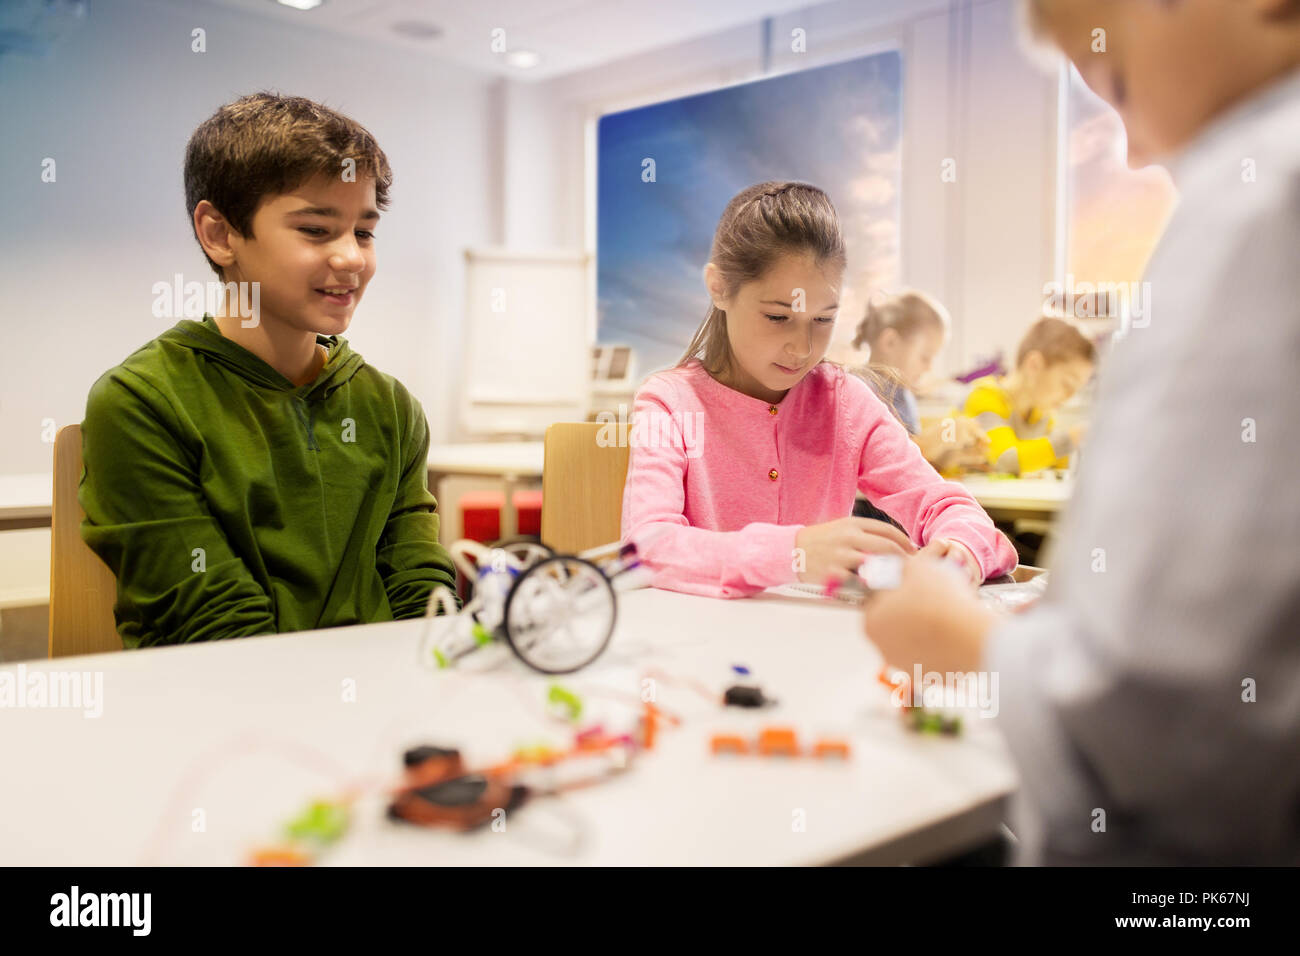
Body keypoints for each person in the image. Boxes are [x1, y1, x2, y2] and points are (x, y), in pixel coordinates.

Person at [864, 0, 1300, 864]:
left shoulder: (1258, 197)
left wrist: (962, 642)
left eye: (1120, 86)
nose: (1134, 151)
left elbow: (1168, 725)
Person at [79, 93, 457, 647]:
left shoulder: (391, 407)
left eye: (364, 231)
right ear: (220, 234)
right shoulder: (142, 401)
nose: (352, 257)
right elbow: (216, 624)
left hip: (391, 701)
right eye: (315, 229)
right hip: (230, 709)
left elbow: (423, 594)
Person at [620, 181, 1016, 599]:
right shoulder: (668, 403)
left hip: (817, 648)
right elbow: (645, 548)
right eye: (777, 317)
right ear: (719, 288)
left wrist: (959, 552)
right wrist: (794, 554)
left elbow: (951, 509)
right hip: (697, 649)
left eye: (823, 320)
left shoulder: (846, 402)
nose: (802, 348)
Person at [962, 316, 1094, 475]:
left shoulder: (1041, 414)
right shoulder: (985, 397)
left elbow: (1049, 458)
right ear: (1034, 365)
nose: (1070, 396)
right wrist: (1072, 439)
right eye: (1067, 384)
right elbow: (1006, 460)